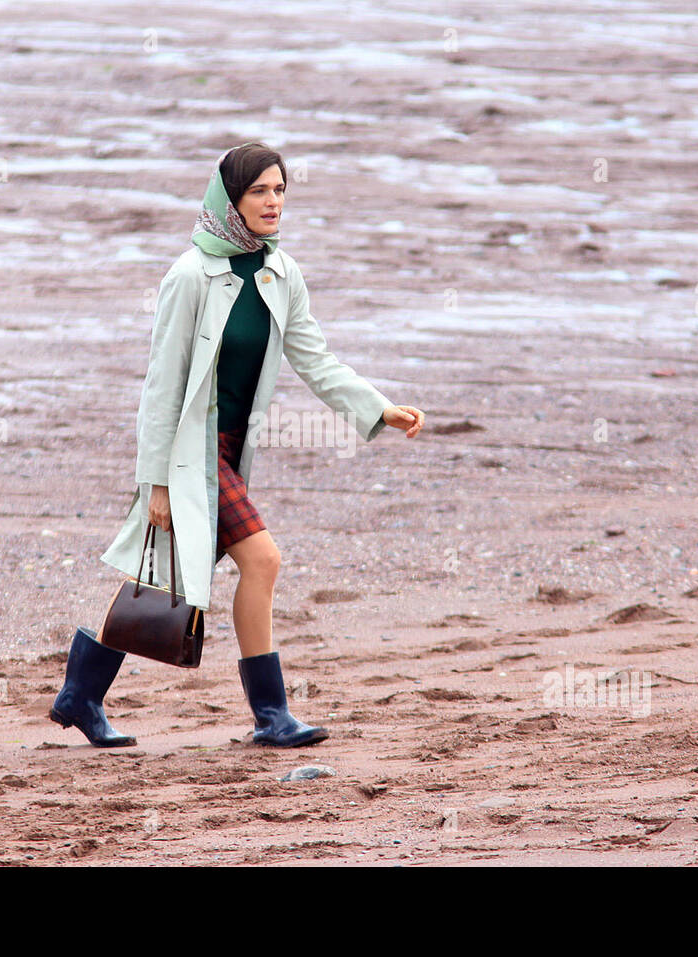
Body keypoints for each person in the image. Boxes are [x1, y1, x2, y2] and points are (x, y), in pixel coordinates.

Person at [52, 142, 425, 748]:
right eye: (259, 192)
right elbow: (161, 387)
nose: (273, 202)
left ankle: (82, 694)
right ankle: (272, 716)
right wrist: (158, 484)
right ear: (230, 199)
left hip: (231, 449)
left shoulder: (282, 273)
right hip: (187, 453)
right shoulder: (188, 277)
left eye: (280, 190)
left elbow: (316, 359)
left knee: (176, 572)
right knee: (262, 559)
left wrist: (378, 407)